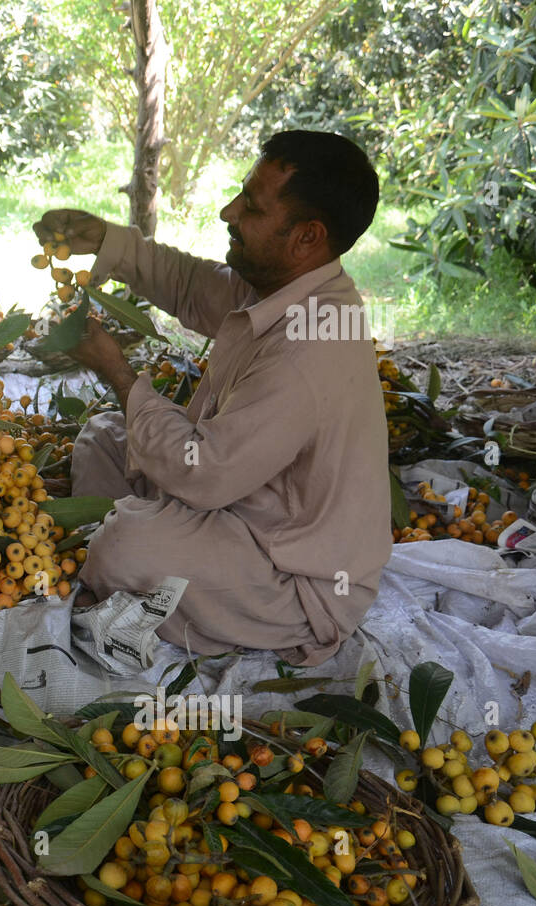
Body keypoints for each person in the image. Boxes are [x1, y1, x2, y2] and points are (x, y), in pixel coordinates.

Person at [38, 130, 389, 666]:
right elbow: (191, 285)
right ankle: (150, 559)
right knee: (105, 436)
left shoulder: (310, 349)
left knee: (125, 542)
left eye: (250, 205)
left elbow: (203, 475)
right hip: (235, 505)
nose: (229, 212)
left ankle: (140, 563)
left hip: (290, 576)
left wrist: (118, 372)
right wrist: (108, 239)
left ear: (306, 236)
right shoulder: (286, 286)